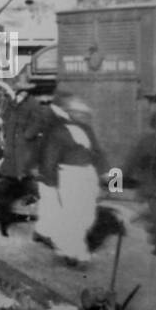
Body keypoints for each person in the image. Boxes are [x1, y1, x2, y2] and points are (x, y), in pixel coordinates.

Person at [41, 94, 105, 267]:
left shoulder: (87, 130)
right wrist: (52, 186)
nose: (82, 116)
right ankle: (74, 253)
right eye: (78, 113)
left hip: (88, 175)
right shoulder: (58, 132)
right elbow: (49, 160)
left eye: (83, 114)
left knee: (88, 216)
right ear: (69, 113)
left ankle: (67, 245)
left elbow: (99, 155)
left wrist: (115, 185)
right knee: (73, 214)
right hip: (69, 176)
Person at [127, 111, 156, 255]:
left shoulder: (144, 141)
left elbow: (129, 163)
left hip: (152, 185)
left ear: (151, 124)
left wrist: (114, 185)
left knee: (155, 215)